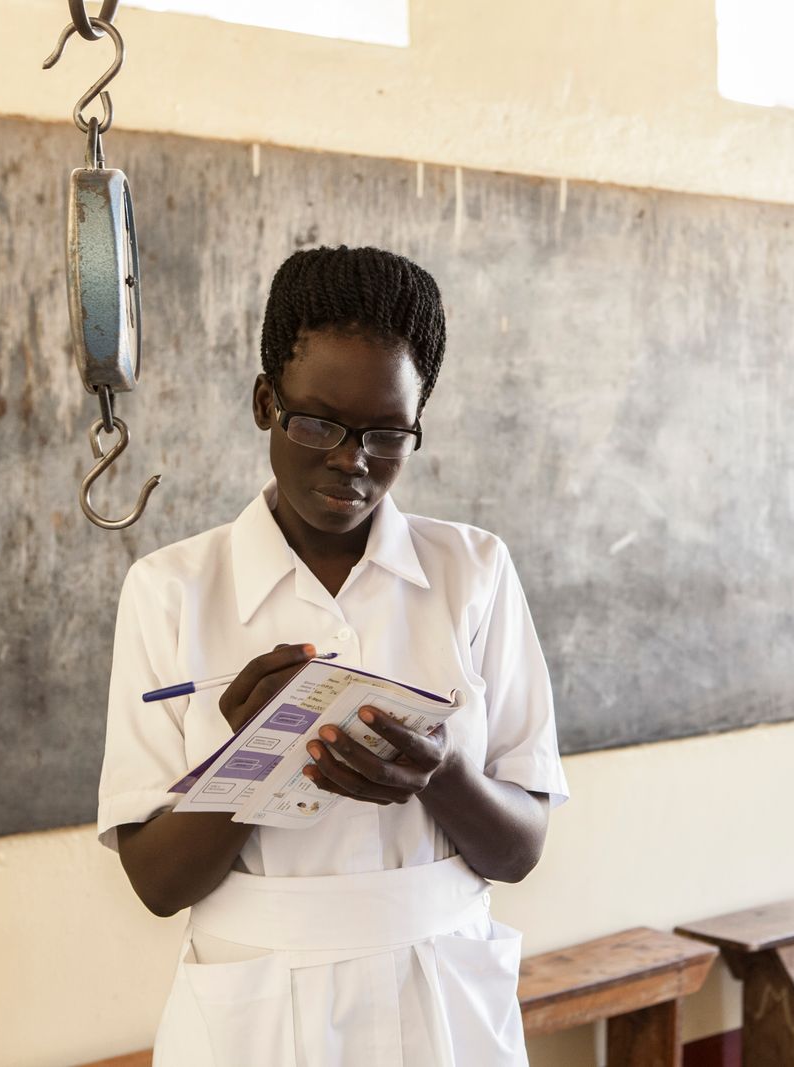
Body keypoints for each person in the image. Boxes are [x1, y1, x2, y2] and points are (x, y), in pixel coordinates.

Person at [97, 245, 568, 1066]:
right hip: (257, 1015)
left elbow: (520, 849)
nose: (351, 459)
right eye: (316, 423)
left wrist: (441, 774)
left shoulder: (474, 571)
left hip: (441, 998)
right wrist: (252, 757)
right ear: (264, 402)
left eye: (387, 433)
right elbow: (157, 886)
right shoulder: (170, 590)